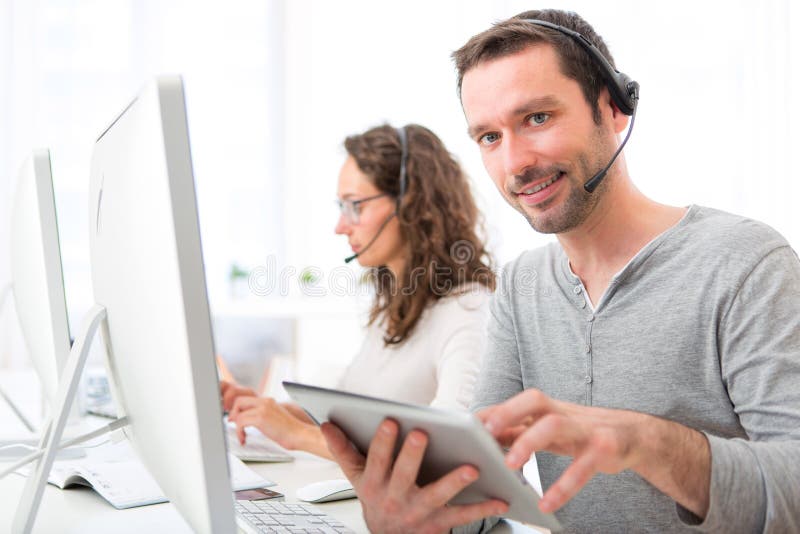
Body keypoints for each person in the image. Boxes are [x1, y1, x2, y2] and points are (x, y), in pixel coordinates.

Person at [321, 9, 800, 533]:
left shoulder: (745, 263)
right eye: (489, 137)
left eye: (537, 118)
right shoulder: (522, 287)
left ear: (613, 108)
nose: (515, 163)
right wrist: (422, 516)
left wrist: (646, 442)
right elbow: (484, 488)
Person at [222, 123, 496, 459]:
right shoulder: (398, 305)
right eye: (341, 207)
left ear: (411, 203)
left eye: (355, 206)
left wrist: (294, 434)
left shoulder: (467, 310)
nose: (341, 226)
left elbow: (450, 450)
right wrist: (264, 411)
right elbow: (348, 418)